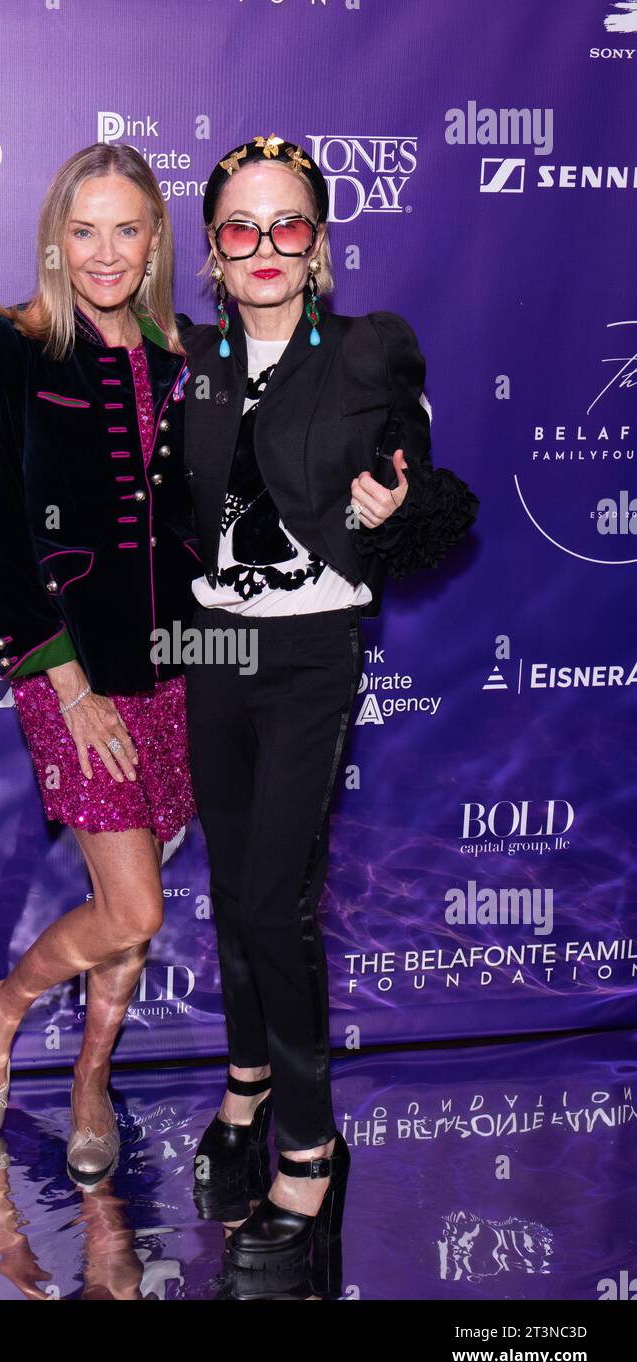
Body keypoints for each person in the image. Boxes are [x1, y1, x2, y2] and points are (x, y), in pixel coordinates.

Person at [180, 132, 479, 1289]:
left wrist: (390, 493)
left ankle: (307, 1143)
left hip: (309, 652)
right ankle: (245, 1079)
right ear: (211, 250)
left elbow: (416, 467)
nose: (263, 247)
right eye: (239, 228)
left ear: (319, 248)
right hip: (208, 648)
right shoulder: (189, 362)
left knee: (272, 897)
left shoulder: (364, 349)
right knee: (233, 890)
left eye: (286, 225)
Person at [0, 142, 202, 1186]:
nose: (104, 252)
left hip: (184, 662)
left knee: (132, 918)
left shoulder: (191, 351)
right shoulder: (9, 345)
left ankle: (92, 1077)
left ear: (154, 242)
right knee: (133, 905)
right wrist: (62, 677)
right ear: (57, 235)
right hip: (70, 668)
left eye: (127, 229)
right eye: (84, 228)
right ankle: (1, 1007)